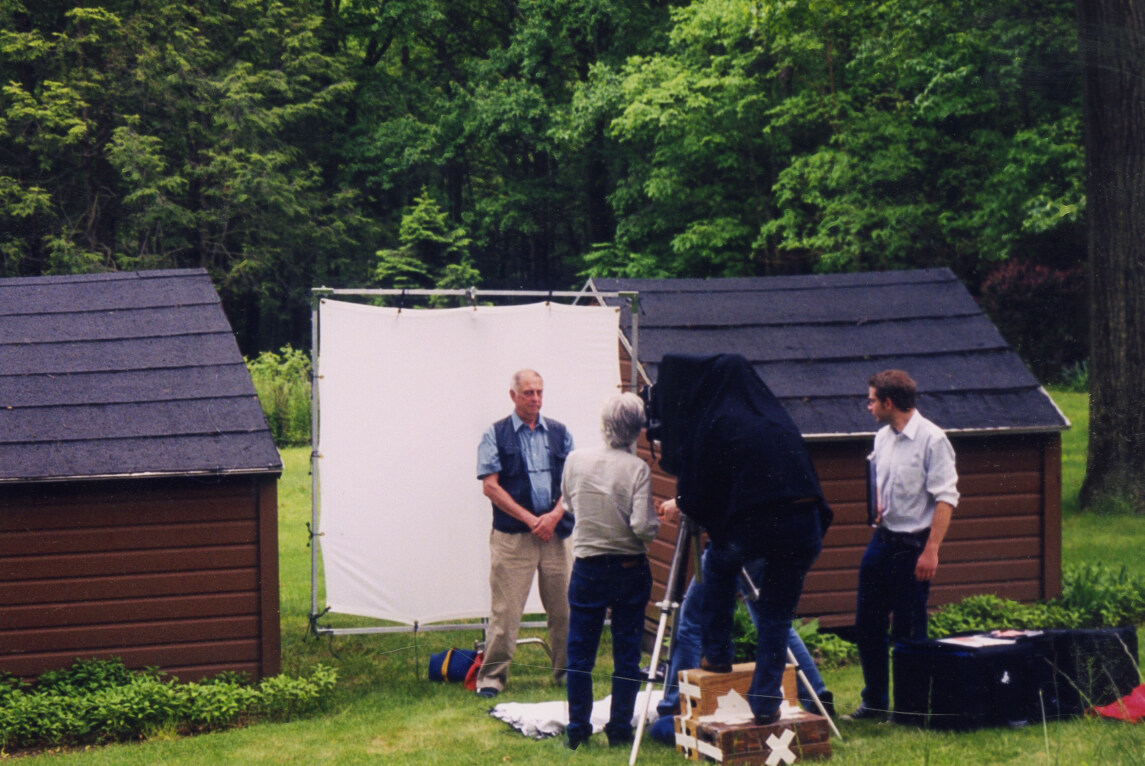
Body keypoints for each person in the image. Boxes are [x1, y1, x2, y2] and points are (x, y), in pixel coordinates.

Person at [653, 353, 831, 726]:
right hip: (805, 525)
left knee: (719, 566)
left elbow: (697, 495)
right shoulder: (776, 417)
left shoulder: (716, 421)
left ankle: (718, 653)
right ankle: (765, 703)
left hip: (756, 524)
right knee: (776, 616)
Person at [649, 499, 834, 746]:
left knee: (692, 619)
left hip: (740, 535)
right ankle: (817, 698)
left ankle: (676, 707)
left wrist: (684, 501)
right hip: (770, 531)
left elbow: (717, 487)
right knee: (771, 620)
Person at [845, 370, 959, 722]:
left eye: (872, 401)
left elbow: (946, 499)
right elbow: (880, 480)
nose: (868, 406)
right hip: (882, 542)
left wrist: (931, 550)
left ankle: (911, 708)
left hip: (914, 547)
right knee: (867, 624)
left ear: (888, 402)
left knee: (909, 630)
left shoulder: (933, 440)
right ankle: (875, 702)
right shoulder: (882, 438)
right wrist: (877, 505)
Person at [560, 392, 659, 749]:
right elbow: (642, 527)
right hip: (629, 569)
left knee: (580, 654)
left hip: (588, 568)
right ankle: (618, 730)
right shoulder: (637, 469)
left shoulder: (575, 460)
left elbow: (569, 504)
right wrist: (655, 520)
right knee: (627, 653)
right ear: (637, 429)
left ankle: (577, 730)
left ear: (604, 424)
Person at [474, 369, 575, 698]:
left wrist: (553, 516)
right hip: (513, 539)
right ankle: (492, 678)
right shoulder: (495, 434)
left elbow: (573, 482)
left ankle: (567, 674)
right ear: (513, 395)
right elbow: (491, 487)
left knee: (564, 610)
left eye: (539, 392)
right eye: (528, 392)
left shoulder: (561, 433)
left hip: (556, 536)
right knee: (505, 612)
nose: (535, 398)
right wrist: (532, 520)